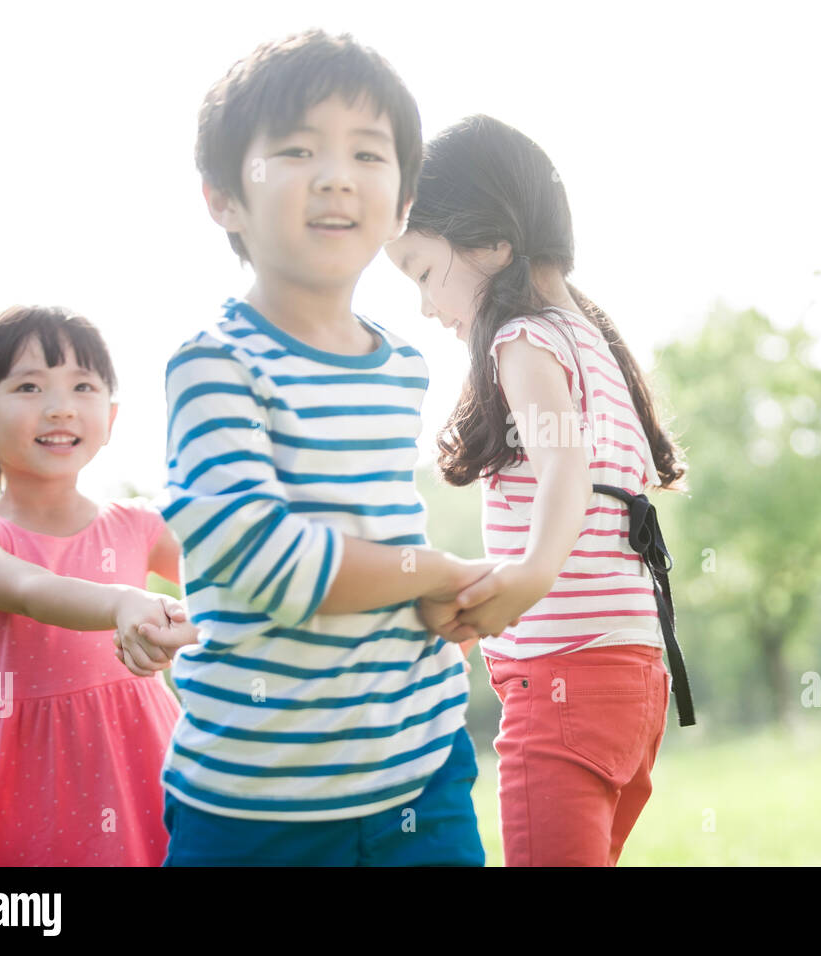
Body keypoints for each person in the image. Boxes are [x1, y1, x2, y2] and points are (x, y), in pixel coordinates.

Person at [147, 30, 501, 867]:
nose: (338, 174)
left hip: (421, 775)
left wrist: (426, 605)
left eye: (368, 153)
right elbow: (278, 566)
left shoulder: (404, 367)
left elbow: (376, 537)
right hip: (257, 803)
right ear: (224, 198)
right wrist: (443, 575)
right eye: (297, 150)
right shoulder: (215, 365)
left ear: (404, 200)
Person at [386, 114, 690, 866]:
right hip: (633, 675)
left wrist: (527, 577)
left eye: (423, 273)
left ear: (492, 243)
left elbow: (563, 468)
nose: (425, 306)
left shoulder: (520, 337)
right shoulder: (591, 336)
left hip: (565, 682)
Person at [0, 304, 196, 866]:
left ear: (111, 415)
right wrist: (124, 602)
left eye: (83, 386)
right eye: (28, 386)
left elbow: (234, 574)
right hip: (39, 789)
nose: (60, 408)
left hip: (157, 763)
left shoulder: (140, 525)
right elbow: (31, 588)